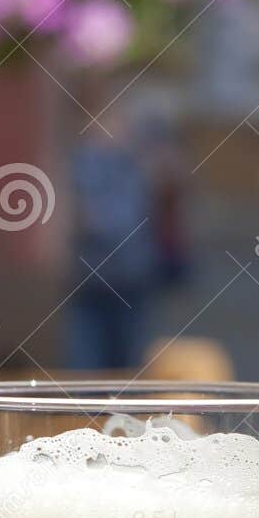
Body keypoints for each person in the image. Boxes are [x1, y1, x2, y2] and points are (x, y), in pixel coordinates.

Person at [66, 100, 156, 372]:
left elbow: (122, 222)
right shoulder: (83, 161)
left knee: (127, 368)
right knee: (90, 367)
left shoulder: (131, 164)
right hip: (92, 282)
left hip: (127, 280)